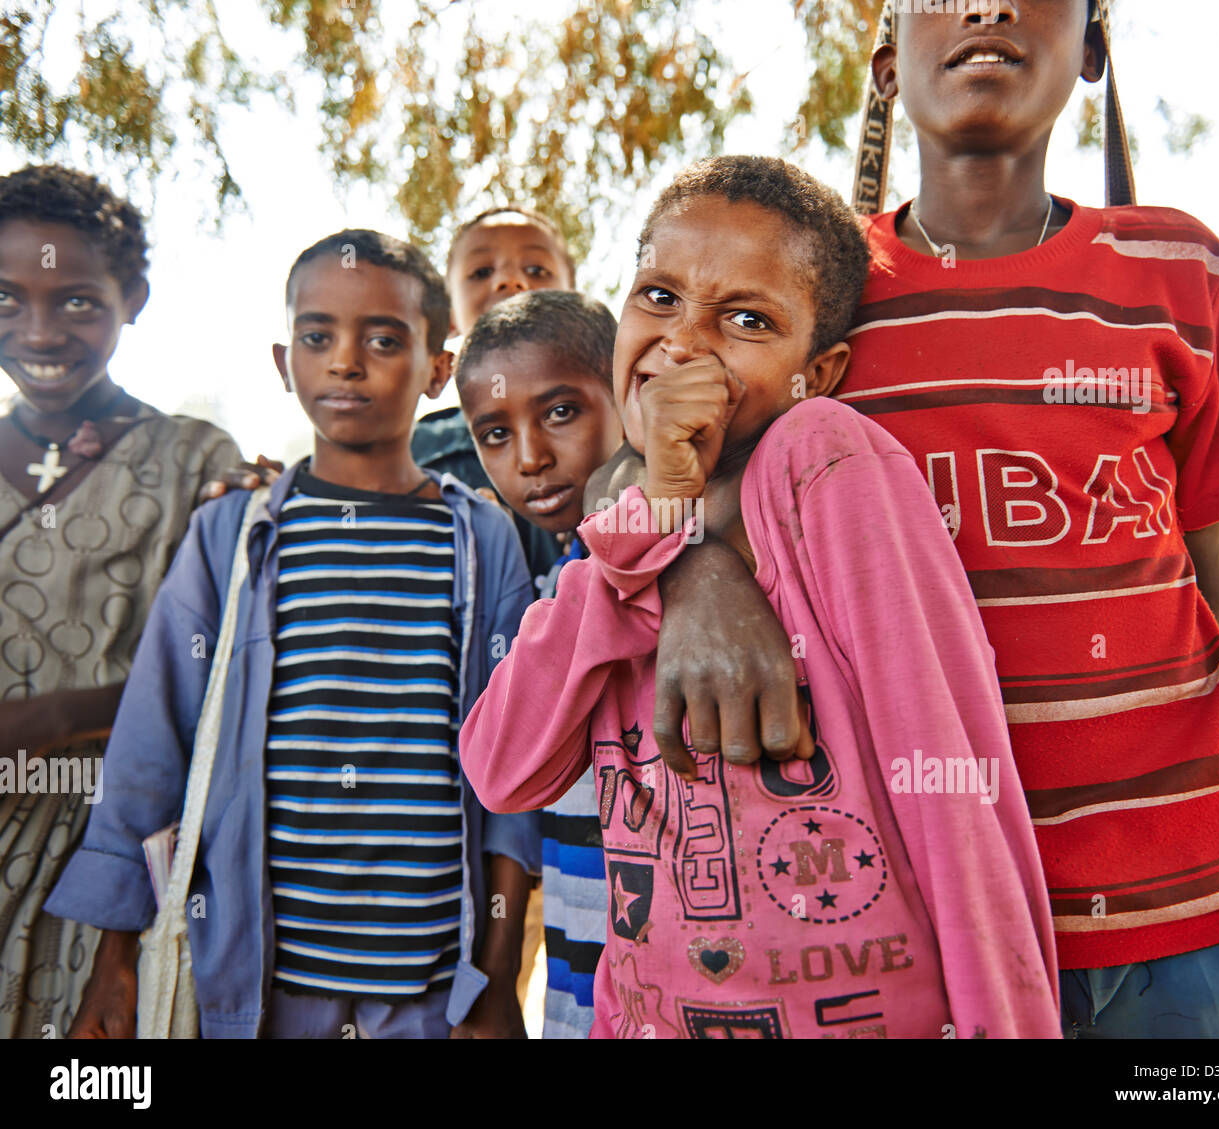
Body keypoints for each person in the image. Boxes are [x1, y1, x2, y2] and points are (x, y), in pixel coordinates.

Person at [640, 0, 1219, 1038]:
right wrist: (695, 576)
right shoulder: (809, 301)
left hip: (1204, 921)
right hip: (923, 922)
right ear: (888, 57)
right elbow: (629, 476)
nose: (985, 7)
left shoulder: (1185, 274)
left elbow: (1203, 584)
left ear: (1090, 47)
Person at [460, 156, 1061, 1039]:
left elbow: (952, 782)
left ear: (816, 371)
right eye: (658, 297)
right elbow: (502, 766)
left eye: (745, 319)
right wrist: (660, 509)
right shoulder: (621, 537)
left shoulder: (823, 458)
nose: (683, 344)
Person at [46, 229, 539, 1038]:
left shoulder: (482, 542)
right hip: (257, 991)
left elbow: (511, 786)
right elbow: (149, 752)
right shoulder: (232, 538)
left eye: (384, 339)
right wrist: (115, 961)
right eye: (318, 337)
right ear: (285, 363)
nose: (346, 362)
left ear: (438, 369)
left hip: (427, 996)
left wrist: (494, 980)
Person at [0, 165, 241, 1038]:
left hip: (116, 855)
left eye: (75, 300)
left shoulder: (193, 463)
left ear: (132, 295)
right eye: (8, 297)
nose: (39, 330)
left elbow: (221, 685)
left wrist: (55, 715)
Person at [455, 289, 624, 1038]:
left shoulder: (691, 553)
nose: (529, 457)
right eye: (495, 433)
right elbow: (504, 772)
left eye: (560, 412)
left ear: (627, 390)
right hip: (583, 977)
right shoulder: (559, 587)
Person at [412, 206, 578, 588]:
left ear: (574, 296)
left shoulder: (630, 432)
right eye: (481, 272)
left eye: (537, 270)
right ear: (450, 314)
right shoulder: (417, 453)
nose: (510, 281)